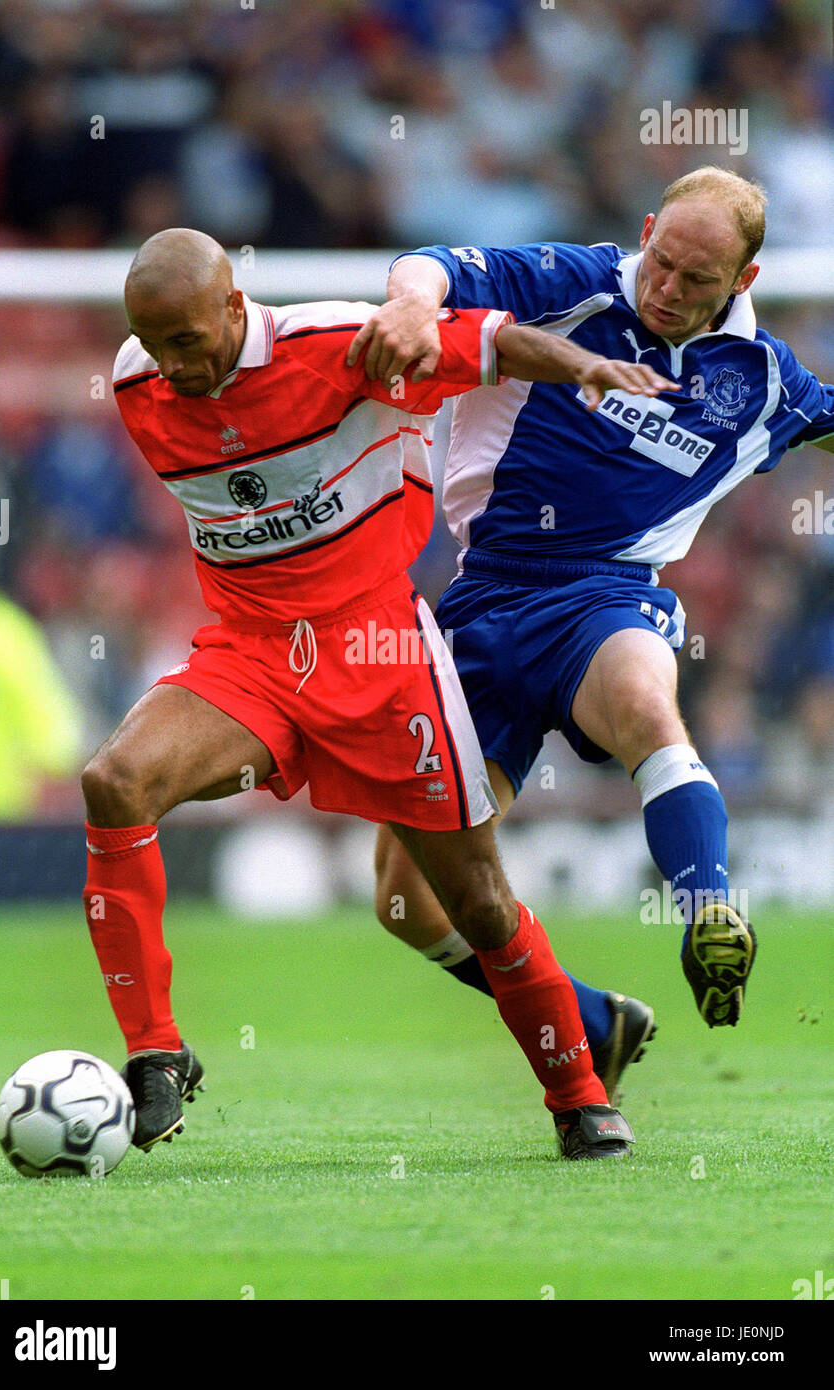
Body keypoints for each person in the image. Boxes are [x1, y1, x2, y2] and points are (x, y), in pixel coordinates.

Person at [84, 228, 676, 1161]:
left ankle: (579, 1092)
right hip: (254, 659)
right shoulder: (134, 381)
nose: (171, 364)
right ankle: (156, 1053)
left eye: (187, 341)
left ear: (236, 309)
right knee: (114, 782)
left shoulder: (346, 345)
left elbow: (491, 340)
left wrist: (586, 370)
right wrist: (162, 360)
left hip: (383, 656)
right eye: (154, 343)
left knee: (472, 904)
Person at [349, 166, 834, 1038]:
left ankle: (708, 912)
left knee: (646, 705)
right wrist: (415, 306)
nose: (666, 289)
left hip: (605, 593)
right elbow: (431, 264)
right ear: (646, 230)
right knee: (407, 901)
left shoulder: (764, 381)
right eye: (660, 261)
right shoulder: (569, 285)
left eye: (696, 281)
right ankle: (590, 1023)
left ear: (743, 282)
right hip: (482, 598)